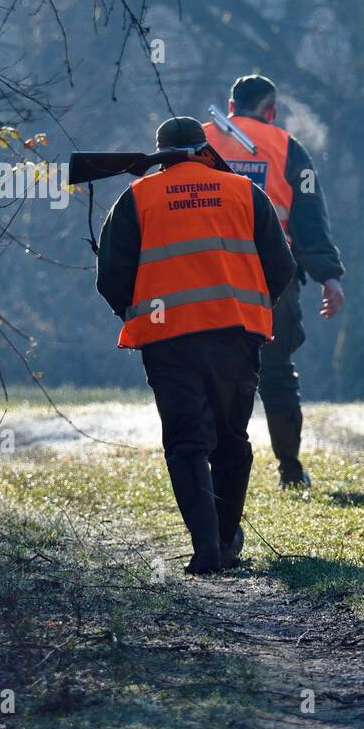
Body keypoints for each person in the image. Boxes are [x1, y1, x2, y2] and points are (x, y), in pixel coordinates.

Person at [96, 117, 295, 574]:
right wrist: (252, 307)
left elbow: (111, 278)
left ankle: (205, 549)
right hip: (235, 334)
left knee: (187, 443)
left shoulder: (137, 197)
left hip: (169, 341)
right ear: (204, 148)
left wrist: (138, 312)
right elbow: (280, 267)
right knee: (231, 440)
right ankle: (227, 540)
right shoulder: (245, 192)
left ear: (160, 151)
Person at [205, 75, 345, 489]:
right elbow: (308, 218)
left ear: (230, 106)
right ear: (271, 111)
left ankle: (214, 466)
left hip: (207, 272)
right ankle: (289, 469)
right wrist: (329, 276)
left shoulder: (199, 140)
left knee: (212, 368)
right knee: (277, 370)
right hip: (272, 274)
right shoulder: (287, 147)